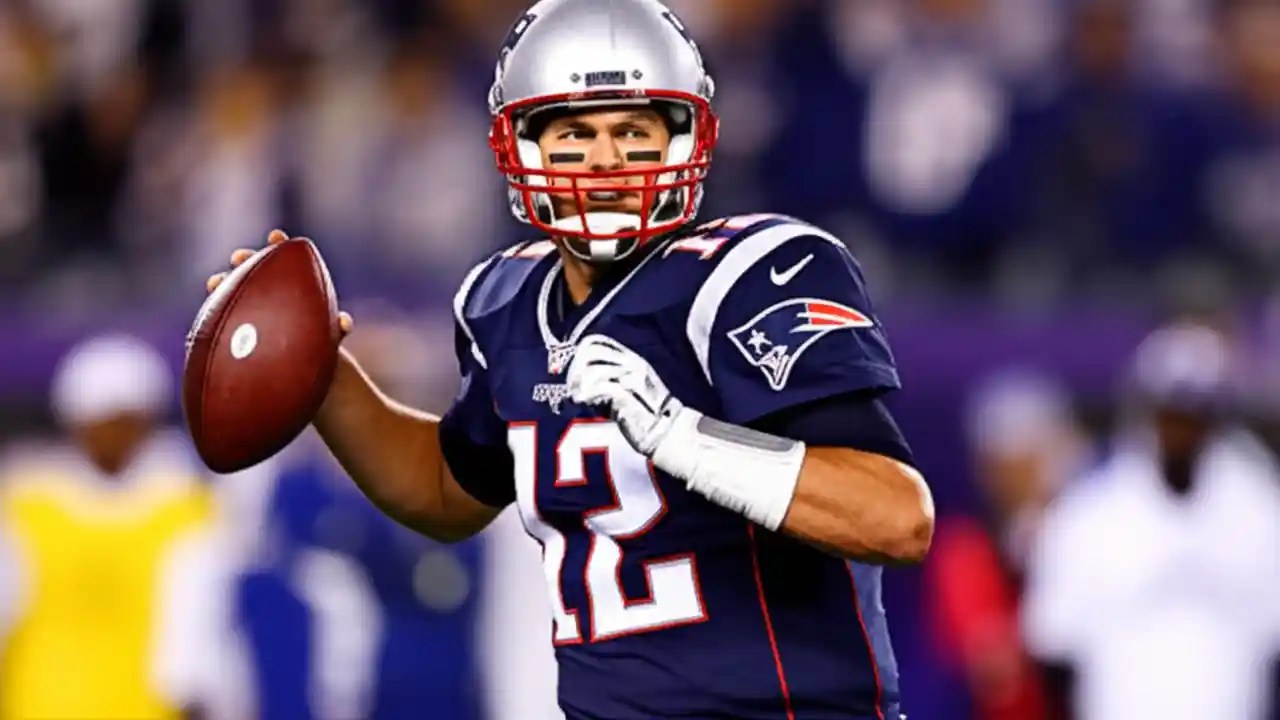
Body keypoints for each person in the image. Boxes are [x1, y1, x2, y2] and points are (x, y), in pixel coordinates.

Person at [207, 1, 935, 717]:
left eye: (634, 130)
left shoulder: (751, 274)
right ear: (519, 146)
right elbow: (446, 493)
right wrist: (323, 375)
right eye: (575, 133)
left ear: (686, 138)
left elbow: (896, 518)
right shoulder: (506, 300)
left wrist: (683, 438)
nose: (607, 159)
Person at [1021, 322, 1280, 719]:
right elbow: (1054, 646)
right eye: (1171, 412)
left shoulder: (1263, 511)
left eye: (1196, 412)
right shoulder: (1089, 515)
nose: (1182, 429)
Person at [0, 334, 247, 720]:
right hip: (37, 703)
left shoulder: (185, 507)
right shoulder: (28, 503)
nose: (112, 436)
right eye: (100, 421)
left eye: (124, 421)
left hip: (147, 708)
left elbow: (196, 624)